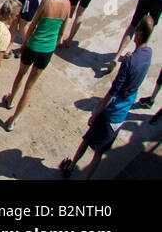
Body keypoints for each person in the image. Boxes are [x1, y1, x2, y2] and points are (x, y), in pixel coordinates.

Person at [60, 17, 153, 179]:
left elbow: (113, 91)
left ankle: (71, 165)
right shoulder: (148, 54)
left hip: (111, 112)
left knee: (87, 141)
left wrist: (96, 112)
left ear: (138, 33)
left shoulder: (129, 62)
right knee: (99, 153)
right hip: (122, 114)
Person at [2, 0, 71, 132]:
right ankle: (14, 120)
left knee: (21, 74)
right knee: (30, 87)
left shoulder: (46, 2)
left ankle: (11, 98)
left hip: (33, 45)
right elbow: (62, 33)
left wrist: (25, 43)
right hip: (47, 50)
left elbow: (32, 25)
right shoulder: (67, 5)